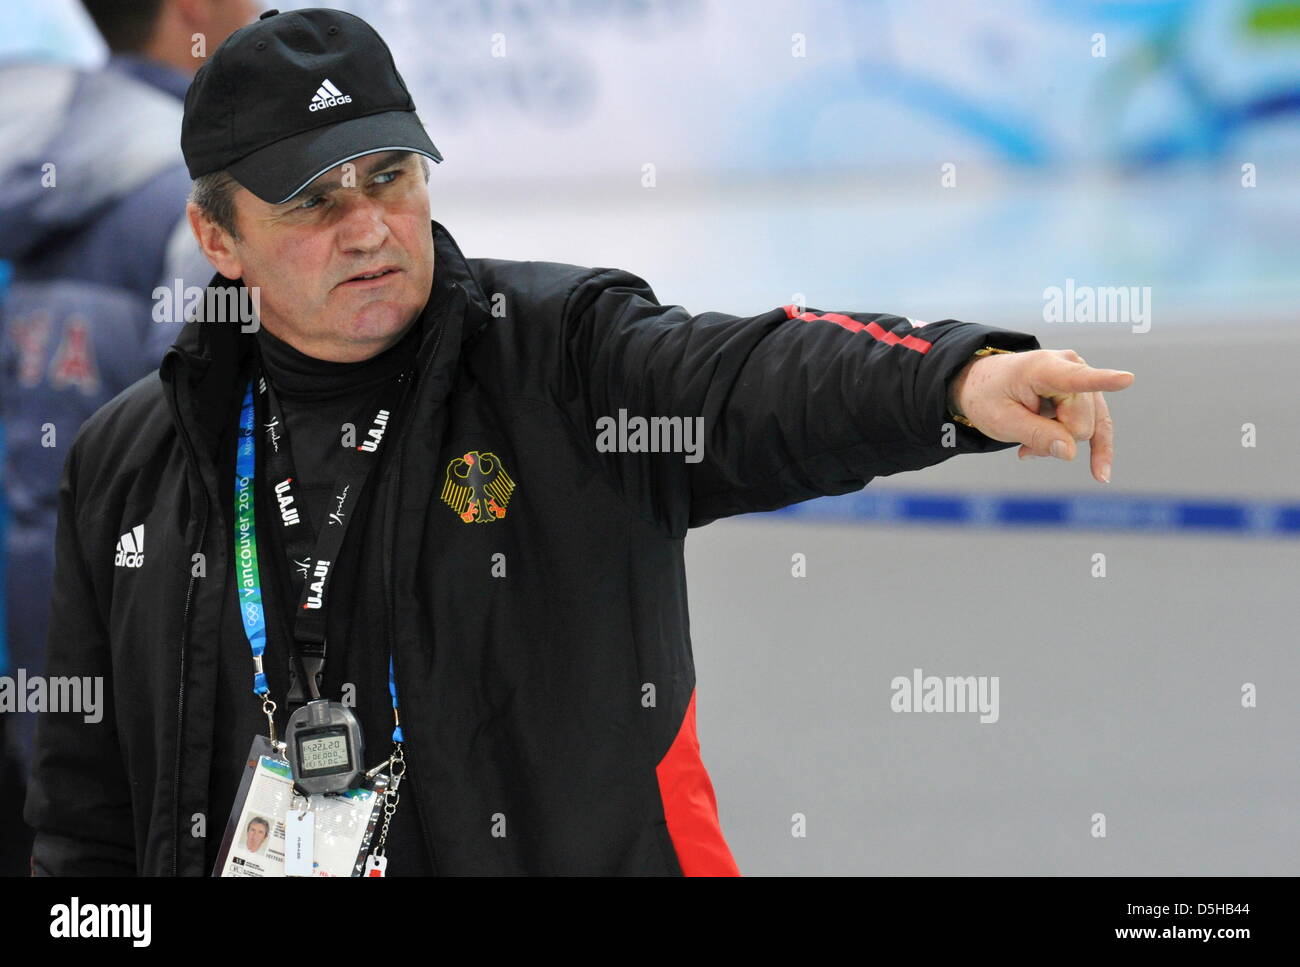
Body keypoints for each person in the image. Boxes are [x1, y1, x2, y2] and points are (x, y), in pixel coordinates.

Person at [24, 7, 1134, 877]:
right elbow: (86, 815)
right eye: (313, 201)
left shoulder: (561, 358)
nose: (368, 227)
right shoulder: (134, 461)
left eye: (391, 176)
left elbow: (749, 373)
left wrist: (953, 376)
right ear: (218, 236)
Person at [0, 0, 257, 781]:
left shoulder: (41, 168)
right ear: (194, 8)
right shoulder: (202, 206)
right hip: (155, 715)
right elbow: (209, 473)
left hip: (36, 689)